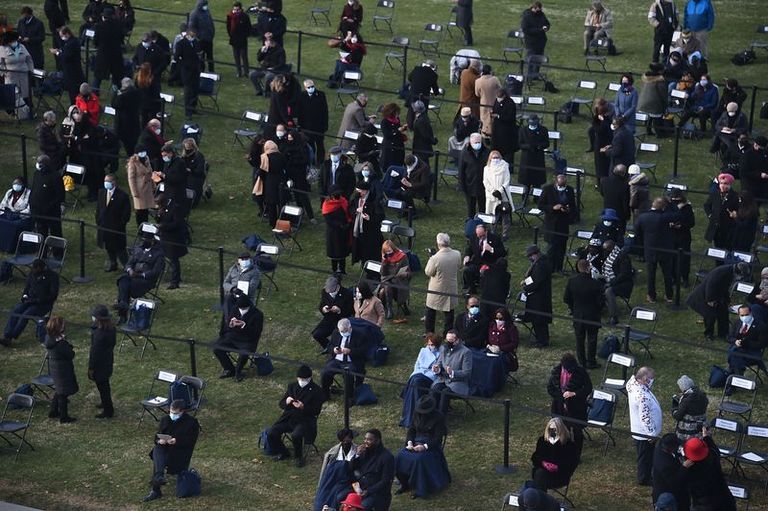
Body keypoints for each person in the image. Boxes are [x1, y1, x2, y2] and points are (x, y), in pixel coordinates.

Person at [142, 399, 201, 502]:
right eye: (171, 412)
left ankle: (156, 485)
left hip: (180, 452)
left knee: (158, 458)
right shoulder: (166, 419)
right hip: (165, 448)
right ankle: (159, 476)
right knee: (157, 449)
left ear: (182, 411)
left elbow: (190, 441)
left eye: (175, 413)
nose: (172, 415)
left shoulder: (191, 423)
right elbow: (156, 436)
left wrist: (176, 441)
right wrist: (159, 440)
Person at [268, 364, 325, 467]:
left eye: (304, 379)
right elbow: (281, 404)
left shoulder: (317, 391)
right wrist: (287, 401)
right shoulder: (292, 386)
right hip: (289, 417)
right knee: (272, 432)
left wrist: (303, 407)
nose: (302, 381)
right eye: (300, 378)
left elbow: (316, 411)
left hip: (305, 420)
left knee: (296, 435)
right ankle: (283, 452)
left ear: (309, 378)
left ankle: (298, 457)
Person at [394, 395, 451, 498]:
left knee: (419, 460)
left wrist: (424, 446)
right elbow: (412, 430)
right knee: (399, 456)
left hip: (431, 446)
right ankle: (404, 483)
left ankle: (420, 489)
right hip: (416, 442)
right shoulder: (417, 413)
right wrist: (410, 442)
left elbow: (438, 439)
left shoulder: (439, 417)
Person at [0, 259, 59, 347]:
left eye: (35, 268)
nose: (33, 270)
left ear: (40, 268)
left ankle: (11, 337)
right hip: (29, 300)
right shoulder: (32, 274)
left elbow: (53, 295)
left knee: (26, 314)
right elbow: (27, 287)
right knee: (16, 310)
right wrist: (24, 296)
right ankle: (7, 334)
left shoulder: (52, 276)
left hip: (42, 304)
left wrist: (38, 300)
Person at [688, 262, 751, 341]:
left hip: (718, 294)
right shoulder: (722, 272)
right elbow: (711, 285)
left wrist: (727, 300)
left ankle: (723, 334)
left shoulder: (730, 272)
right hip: (706, 295)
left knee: (723, 311)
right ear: (738, 272)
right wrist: (710, 300)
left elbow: (724, 286)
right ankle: (708, 334)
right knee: (710, 315)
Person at [337, 429, 394, 511]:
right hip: (359, 487)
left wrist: (369, 491)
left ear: (378, 440)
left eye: (369, 440)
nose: (366, 442)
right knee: (340, 497)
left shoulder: (387, 457)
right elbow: (350, 468)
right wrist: (356, 455)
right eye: (365, 439)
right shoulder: (364, 452)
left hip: (375, 492)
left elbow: (386, 480)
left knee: (361, 507)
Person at [114, 232, 165, 322]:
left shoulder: (158, 254)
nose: (143, 242)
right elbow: (129, 263)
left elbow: (156, 272)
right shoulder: (138, 249)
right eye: (142, 240)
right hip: (132, 276)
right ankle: (123, 306)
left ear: (152, 241)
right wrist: (130, 270)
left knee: (125, 285)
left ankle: (122, 311)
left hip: (146, 280)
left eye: (146, 240)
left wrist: (140, 275)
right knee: (123, 280)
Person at [213, 294, 264, 382]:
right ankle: (229, 369)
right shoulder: (235, 309)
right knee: (217, 348)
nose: (241, 310)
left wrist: (244, 325)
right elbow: (228, 323)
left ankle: (238, 371)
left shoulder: (257, 314)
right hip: (233, 337)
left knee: (244, 353)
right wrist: (231, 324)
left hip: (248, 341)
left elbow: (256, 332)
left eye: (243, 309)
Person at [547, 354, 592, 450]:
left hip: (576, 407)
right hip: (560, 406)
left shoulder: (580, 372)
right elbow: (550, 389)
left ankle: (576, 453)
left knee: (577, 431)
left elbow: (588, 388)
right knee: (562, 429)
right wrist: (560, 397)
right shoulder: (556, 372)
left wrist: (574, 393)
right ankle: (565, 450)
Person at [684, 430, 737, 511]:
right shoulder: (713, 456)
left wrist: (683, 468)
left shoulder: (691, 471)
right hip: (725, 501)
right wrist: (706, 437)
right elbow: (714, 448)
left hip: (704, 506)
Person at [564, 260, 604, 368]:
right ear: (588, 268)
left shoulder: (572, 282)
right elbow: (601, 301)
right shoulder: (596, 284)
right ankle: (591, 361)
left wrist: (573, 308)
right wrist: (597, 309)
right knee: (592, 339)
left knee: (579, 339)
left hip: (578, 314)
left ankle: (581, 361)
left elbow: (566, 298)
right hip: (592, 314)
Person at [635, 197, 675, 303]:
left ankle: (651, 295)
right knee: (667, 273)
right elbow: (678, 215)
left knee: (651, 274)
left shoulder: (642, 217)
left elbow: (637, 232)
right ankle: (669, 295)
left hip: (650, 249)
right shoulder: (664, 217)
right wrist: (671, 204)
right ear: (663, 207)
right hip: (665, 249)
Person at [626, 366, 662, 486]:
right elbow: (645, 418)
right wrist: (651, 435)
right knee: (645, 458)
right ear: (644, 379)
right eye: (651, 379)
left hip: (640, 431)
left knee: (645, 455)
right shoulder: (642, 396)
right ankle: (643, 478)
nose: (652, 381)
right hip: (644, 434)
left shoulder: (632, 384)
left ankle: (645, 475)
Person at [425, 233, 461, 336]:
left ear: (438, 244)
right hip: (451, 286)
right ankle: (448, 332)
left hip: (436, 288)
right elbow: (459, 265)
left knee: (431, 310)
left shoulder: (435, 258)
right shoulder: (456, 254)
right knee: (449, 311)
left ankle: (429, 332)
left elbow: (428, 272)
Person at [530, 417, 581, 491]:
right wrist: (543, 463)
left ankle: (539, 498)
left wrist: (557, 467)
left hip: (559, 476)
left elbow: (572, 463)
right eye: (550, 429)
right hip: (542, 471)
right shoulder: (542, 441)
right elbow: (536, 457)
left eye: (555, 429)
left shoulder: (569, 445)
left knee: (539, 477)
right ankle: (537, 497)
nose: (552, 431)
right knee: (540, 474)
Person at [320, 318, 366, 398]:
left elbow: (363, 351)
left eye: (345, 331)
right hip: (337, 360)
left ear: (350, 328)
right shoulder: (336, 333)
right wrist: (334, 350)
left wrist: (350, 351)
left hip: (351, 361)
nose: (344, 333)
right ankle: (325, 394)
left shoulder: (360, 335)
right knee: (325, 372)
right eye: (342, 331)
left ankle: (349, 397)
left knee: (348, 376)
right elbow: (330, 345)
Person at [43, 316, 78, 423]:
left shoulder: (49, 338)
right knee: (63, 393)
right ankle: (64, 416)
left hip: (55, 368)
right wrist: (70, 348)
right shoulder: (60, 343)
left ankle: (53, 410)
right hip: (63, 369)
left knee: (59, 389)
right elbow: (70, 354)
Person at [540, 172, 576, 274]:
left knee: (561, 248)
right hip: (551, 224)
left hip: (563, 223)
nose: (562, 186)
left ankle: (559, 268)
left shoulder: (570, 190)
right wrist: (552, 207)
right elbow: (541, 205)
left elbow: (573, 206)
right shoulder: (548, 189)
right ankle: (550, 269)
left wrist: (568, 210)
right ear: (556, 182)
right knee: (551, 249)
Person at [430, 330, 472, 414]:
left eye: (451, 341)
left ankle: (441, 418)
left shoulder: (466, 352)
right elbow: (440, 362)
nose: (448, 342)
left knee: (445, 392)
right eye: (447, 340)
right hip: (444, 380)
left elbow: (467, 372)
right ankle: (431, 414)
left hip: (458, 383)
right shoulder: (443, 348)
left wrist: (453, 373)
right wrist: (437, 368)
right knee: (435, 389)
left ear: (457, 340)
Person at [315, 428, 357, 511]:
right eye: (343, 441)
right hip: (332, 479)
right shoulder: (333, 452)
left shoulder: (357, 450)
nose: (345, 443)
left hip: (348, 481)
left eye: (348, 441)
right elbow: (325, 470)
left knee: (337, 496)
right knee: (323, 496)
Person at [96, 173, 131, 272]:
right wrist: (98, 220)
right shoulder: (102, 192)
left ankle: (127, 267)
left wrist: (120, 224)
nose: (106, 183)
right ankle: (113, 263)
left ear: (114, 182)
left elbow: (126, 214)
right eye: (105, 181)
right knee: (109, 247)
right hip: (104, 226)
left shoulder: (122, 196)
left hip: (116, 228)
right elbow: (99, 208)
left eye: (108, 181)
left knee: (120, 249)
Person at [87, 305, 116, 419]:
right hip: (107, 361)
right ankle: (105, 403)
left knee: (103, 388)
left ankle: (108, 410)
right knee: (104, 386)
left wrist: (91, 367)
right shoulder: (111, 329)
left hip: (99, 365)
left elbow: (94, 353)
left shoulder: (99, 334)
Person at [521, 245, 553, 348]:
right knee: (536, 320)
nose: (530, 258)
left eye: (530, 255)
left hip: (540, 297)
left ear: (536, 254)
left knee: (540, 321)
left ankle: (543, 341)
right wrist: (526, 282)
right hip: (536, 296)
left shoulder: (541, 265)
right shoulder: (538, 263)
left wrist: (526, 288)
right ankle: (540, 339)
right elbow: (533, 277)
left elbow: (537, 282)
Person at [312, 275, 354, 350]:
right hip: (329, 319)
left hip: (342, 319)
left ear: (337, 286)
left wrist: (339, 310)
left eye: (331, 290)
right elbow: (322, 304)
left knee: (339, 337)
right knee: (317, 334)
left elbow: (350, 310)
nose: (329, 291)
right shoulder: (324, 292)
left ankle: (338, 349)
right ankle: (329, 348)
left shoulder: (347, 294)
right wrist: (324, 309)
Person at [463, 223, 506, 295]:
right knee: (467, 271)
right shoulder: (474, 237)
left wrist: (491, 249)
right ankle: (471, 288)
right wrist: (467, 256)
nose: (480, 238)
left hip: (490, 263)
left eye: (482, 236)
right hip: (477, 262)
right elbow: (470, 248)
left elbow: (503, 253)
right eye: (478, 236)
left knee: (485, 273)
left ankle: (486, 290)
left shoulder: (495, 238)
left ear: (486, 231)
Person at [652, 433, 691, 511]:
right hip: (668, 495)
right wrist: (684, 467)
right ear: (670, 448)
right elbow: (674, 482)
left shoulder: (660, 448)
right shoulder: (665, 464)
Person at [29, 151, 65, 235]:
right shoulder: (37, 174)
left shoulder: (55, 176)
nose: (38, 165)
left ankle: (57, 248)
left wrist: (49, 206)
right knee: (41, 230)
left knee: (55, 231)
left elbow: (60, 195)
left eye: (40, 163)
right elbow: (34, 188)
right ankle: (42, 247)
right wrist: (31, 202)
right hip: (38, 210)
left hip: (51, 211)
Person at [726, 304, 768, 375]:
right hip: (736, 349)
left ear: (751, 313)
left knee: (733, 355)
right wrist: (735, 341)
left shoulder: (761, 326)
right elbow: (729, 337)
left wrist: (746, 343)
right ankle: (737, 376)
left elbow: (762, 344)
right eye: (742, 315)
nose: (745, 317)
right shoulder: (737, 322)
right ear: (739, 315)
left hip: (752, 352)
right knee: (734, 354)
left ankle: (735, 375)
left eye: (747, 314)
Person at [350, 181, 384, 267]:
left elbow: (380, 216)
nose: (357, 192)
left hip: (371, 232)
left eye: (359, 190)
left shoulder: (373, 201)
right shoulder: (357, 198)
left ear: (365, 191)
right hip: (359, 231)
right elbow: (350, 208)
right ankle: (363, 264)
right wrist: (356, 210)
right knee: (361, 250)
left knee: (371, 253)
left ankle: (372, 271)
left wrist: (370, 218)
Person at [253, 140, 286, 228]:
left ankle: (273, 223)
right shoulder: (281, 155)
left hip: (270, 182)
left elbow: (262, 171)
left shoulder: (265, 157)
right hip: (281, 180)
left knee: (272, 204)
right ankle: (282, 220)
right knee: (281, 202)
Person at [157, 197, 187, 290]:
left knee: (174, 260)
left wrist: (163, 226)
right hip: (165, 237)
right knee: (166, 258)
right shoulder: (163, 209)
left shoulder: (175, 208)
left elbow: (177, 223)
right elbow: (160, 221)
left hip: (174, 239)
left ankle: (175, 281)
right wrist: (158, 216)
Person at [703, 173, 738, 251]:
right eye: (721, 183)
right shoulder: (715, 194)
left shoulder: (735, 196)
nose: (722, 185)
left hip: (729, 227)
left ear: (730, 184)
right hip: (717, 227)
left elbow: (739, 209)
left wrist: (735, 213)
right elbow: (706, 205)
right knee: (718, 249)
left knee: (729, 248)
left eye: (725, 184)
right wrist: (710, 215)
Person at [91, 7, 124, 91]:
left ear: (104, 17)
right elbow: (121, 38)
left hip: (103, 54)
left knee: (98, 77)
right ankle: (117, 94)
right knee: (117, 77)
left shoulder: (99, 26)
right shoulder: (118, 25)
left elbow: (95, 41)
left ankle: (94, 94)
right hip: (116, 54)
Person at [297, 79, 329, 166]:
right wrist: (300, 126)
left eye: (312, 86)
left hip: (319, 126)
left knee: (320, 145)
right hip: (307, 127)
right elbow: (300, 112)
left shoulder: (321, 95)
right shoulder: (302, 96)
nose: (311, 88)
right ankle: (312, 161)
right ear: (305, 87)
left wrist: (325, 125)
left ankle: (320, 161)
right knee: (310, 145)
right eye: (309, 87)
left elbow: (325, 111)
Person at [458, 133, 489, 219]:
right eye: (475, 142)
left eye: (479, 142)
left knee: (483, 205)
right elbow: (461, 171)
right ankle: (471, 222)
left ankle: (482, 223)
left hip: (483, 184)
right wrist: (462, 185)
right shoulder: (465, 153)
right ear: (471, 143)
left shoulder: (486, 152)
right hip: (469, 184)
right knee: (471, 207)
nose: (477, 144)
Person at [668, 189, 695, 287]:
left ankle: (685, 278)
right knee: (672, 258)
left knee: (684, 259)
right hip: (671, 236)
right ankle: (674, 278)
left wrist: (681, 226)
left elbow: (691, 222)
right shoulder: (669, 207)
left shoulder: (687, 208)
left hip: (683, 236)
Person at [50, 26, 84, 104]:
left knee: (73, 92)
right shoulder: (72, 41)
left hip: (72, 72)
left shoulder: (71, 43)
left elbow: (66, 57)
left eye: (62, 36)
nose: (62, 37)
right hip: (73, 70)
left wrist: (57, 53)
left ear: (67, 34)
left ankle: (74, 106)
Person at [483, 150, 512, 238]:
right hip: (491, 196)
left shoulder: (504, 166)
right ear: (490, 159)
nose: (495, 159)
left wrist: (499, 190)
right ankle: (492, 232)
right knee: (492, 214)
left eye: (497, 157)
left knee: (505, 215)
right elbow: (485, 182)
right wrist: (493, 191)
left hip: (503, 195)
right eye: (493, 158)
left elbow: (507, 180)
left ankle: (505, 234)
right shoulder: (487, 168)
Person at [222, 252, 262, 316]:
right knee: (228, 300)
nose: (244, 261)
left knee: (237, 307)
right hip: (232, 295)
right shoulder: (233, 269)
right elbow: (225, 283)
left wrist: (240, 292)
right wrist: (233, 289)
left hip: (246, 298)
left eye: (246, 259)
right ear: (238, 260)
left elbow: (252, 288)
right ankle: (228, 322)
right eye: (242, 259)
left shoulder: (255, 272)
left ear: (250, 259)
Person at [380, 240, 411, 320]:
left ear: (393, 248)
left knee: (391, 286)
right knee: (387, 287)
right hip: (387, 279)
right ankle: (389, 308)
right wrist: (384, 262)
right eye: (386, 252)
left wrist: (404, 274)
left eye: (390, 251)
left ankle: (396, 305)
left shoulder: (402, 256)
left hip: (399, 280)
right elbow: (383, 273)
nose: (388, 253)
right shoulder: (386, 258)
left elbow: (408, 272)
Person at [174, 28, 202, 117]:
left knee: (195, 90)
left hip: (195, 70)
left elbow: (199, 52)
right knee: (188, 91)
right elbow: (176, 58)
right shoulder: (180, 44)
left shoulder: (195, 42)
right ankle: (188, 111)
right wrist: (183, 65)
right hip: (186, 71)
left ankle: (193, 107)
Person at [672, 374, 708, 442]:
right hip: (701, 428)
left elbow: (678, 416)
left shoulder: (687, 401)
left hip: (689, 431)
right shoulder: (702, 395)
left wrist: (674, 407)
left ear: (684, 388)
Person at [518, 115, 550, 190]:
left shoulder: (543, 130)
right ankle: (525, 197)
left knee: (537, 180)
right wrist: (528, 146)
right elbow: (520, 144)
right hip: (526, 158)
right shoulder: (523, 130)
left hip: (538, 158)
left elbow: (547, 143)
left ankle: (537, 197)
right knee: (526, 181)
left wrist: (539, 146)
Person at [112, 77, 141, 156]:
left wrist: (116, 95)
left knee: (123, 142)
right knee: (132, 142)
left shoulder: (122, 96)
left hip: (122, 123)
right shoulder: (137, 92)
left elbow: (114, 104)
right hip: (134, 121)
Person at [125, 145, 154, 227]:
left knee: (145, 210)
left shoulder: (146, 159)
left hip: (147, 188)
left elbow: (150, 172)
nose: (143, 154)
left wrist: (153, 185)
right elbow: (131, 179)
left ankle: (146, 227)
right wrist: (134, 192)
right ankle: (140, 227)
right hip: (139, 189)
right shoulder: (133, 163)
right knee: (140, 211)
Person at [638, 63, 669, 136]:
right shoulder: (661, 81)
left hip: (643, 102)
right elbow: (663, 95)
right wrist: (665, 105)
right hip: (654, 103)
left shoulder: (646, 78)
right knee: (656, 119)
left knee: (649, 117)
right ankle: (659, 133)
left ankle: (648, 130)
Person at [406, 60, 439, 126]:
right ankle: (422, 125)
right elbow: (435, 89)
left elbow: (409, 78)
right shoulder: (433, 75)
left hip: (413, 93)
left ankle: (410, 125)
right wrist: (436, 93)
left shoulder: (416, 69)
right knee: (423, 111)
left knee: (411, 109)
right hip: (424, 96)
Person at [491, 89, 519, 166]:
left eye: (500, 97)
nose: (498, 99)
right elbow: (494, 109)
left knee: (508, 151)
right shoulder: (496, 101)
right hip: (497, 129)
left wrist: (499, 116)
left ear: (504, 96)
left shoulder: (510, 103)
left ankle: (509, 166)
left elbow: (510, 117)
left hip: (507, 130)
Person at [379, 103, 407, 175]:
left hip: (398, 144)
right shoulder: (384, 122)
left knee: (399, 162)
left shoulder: (397, 119)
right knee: (390, 165)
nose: (398, 114)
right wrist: (398, 131)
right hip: (389, 146)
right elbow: (387, 134)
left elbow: (397, 127)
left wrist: (403, 128)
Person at [591, 99, 614, 181]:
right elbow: (599, 130)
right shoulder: (596, 120)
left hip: (608, 143)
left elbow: (610, 129)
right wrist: (603, 121)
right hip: (600, 146)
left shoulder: (607, 119)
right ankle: (600, 183)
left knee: (607, 165)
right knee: (600, 166)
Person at [474, 65, 501, 138]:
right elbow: (500, 90)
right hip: (494, 103)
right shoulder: (495, 79)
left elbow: (477, 94)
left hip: (484, 104)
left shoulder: (478, 81)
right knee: (494, 120)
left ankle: (485, 135)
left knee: (484, 120)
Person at [601, 165, 630, 230]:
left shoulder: (604, 181)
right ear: (623, 174)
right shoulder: (624, 186)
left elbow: (602, 193)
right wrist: (627, 215)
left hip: (607, 210)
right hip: (619, 214)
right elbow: (625, 202)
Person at [226, 2, 251, 78]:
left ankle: (246, 72)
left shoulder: (245, 16)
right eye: (234, 9)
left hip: (242, 40)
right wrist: (231, 36)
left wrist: (245, 36)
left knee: (244, 56)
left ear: (241, 9)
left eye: (237, 9)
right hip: (234, 40)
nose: (236, 11)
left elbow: (248, 28)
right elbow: (228, 27)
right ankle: (239, 72)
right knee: (236, 57)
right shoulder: (230, 16)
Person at [740, 136, 768, 203]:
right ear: (755, 145)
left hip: (764, 180)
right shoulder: (747, 155)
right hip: (750, 181)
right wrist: (759, 175)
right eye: (760, 148)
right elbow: (743, 172)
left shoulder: (765, 153)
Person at [188, 0, 214, 72]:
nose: (206, 6)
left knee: (210, 57)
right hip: (201, 40)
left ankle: (211, 71)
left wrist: (212, 33)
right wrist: (199, 37)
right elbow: (192, 27)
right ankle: (201, 71)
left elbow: (210, 23)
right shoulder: (194, 14)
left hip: (209, 38)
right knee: (201, 57)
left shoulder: (207, 11)